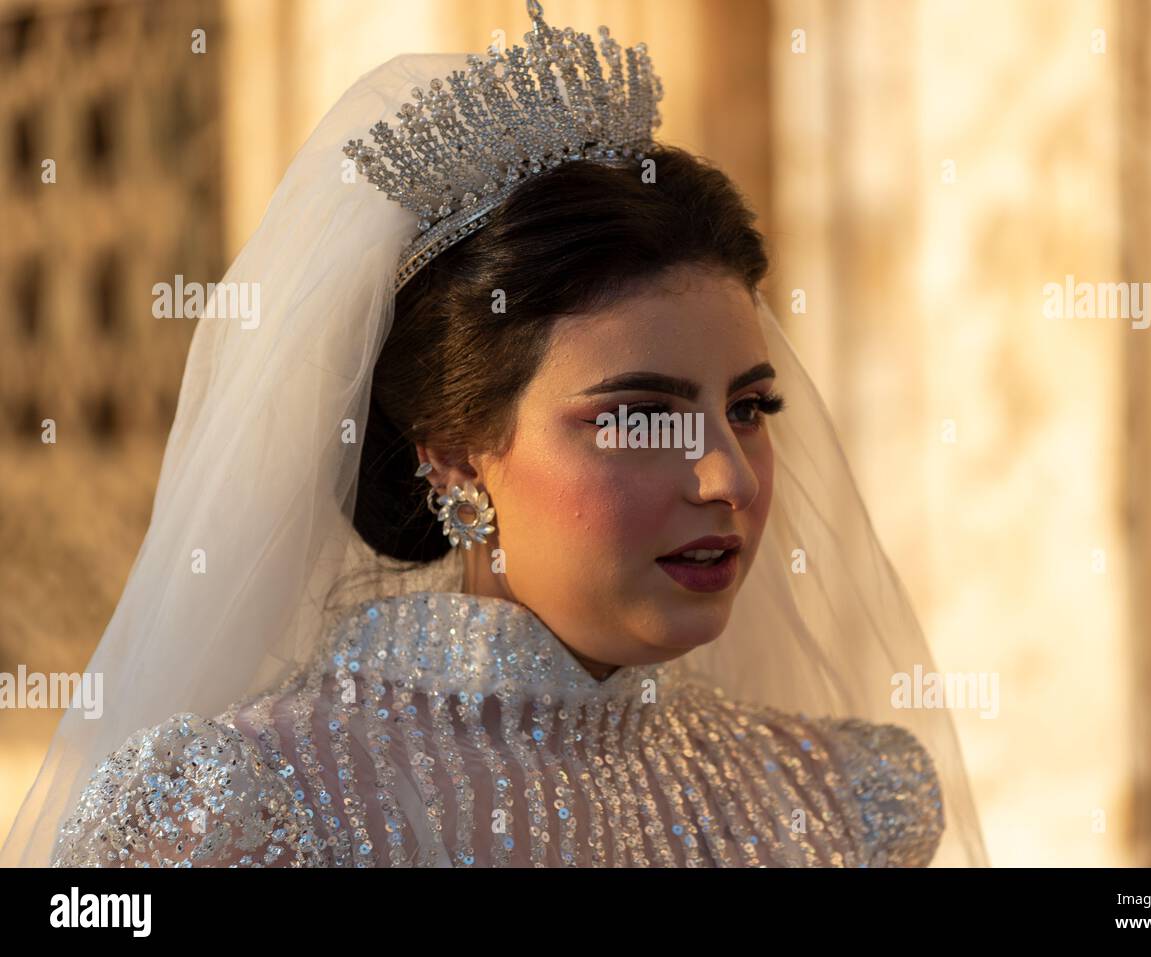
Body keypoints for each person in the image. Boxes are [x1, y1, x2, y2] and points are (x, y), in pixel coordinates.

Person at [1, 0, 988, 868]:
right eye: (641, 416)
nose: (726, 477)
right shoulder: (246, 812)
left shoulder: (831, 799)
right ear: (452, 450)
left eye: (747, 409)